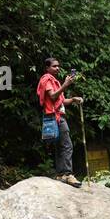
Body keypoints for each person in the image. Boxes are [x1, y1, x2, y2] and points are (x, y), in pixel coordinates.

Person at [36, 57, 83, 187]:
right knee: (67, 145)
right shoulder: (46, 79)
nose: (57, 68)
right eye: (54, 66)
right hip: (55, 117)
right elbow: (52, 96)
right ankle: (67, 174)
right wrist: (65, 85)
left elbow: (61, 101)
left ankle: (60, 174)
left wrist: (73, 99)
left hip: (57, 115)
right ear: (47, 68)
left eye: (58, 66)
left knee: (60, 147)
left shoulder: (55, 81)